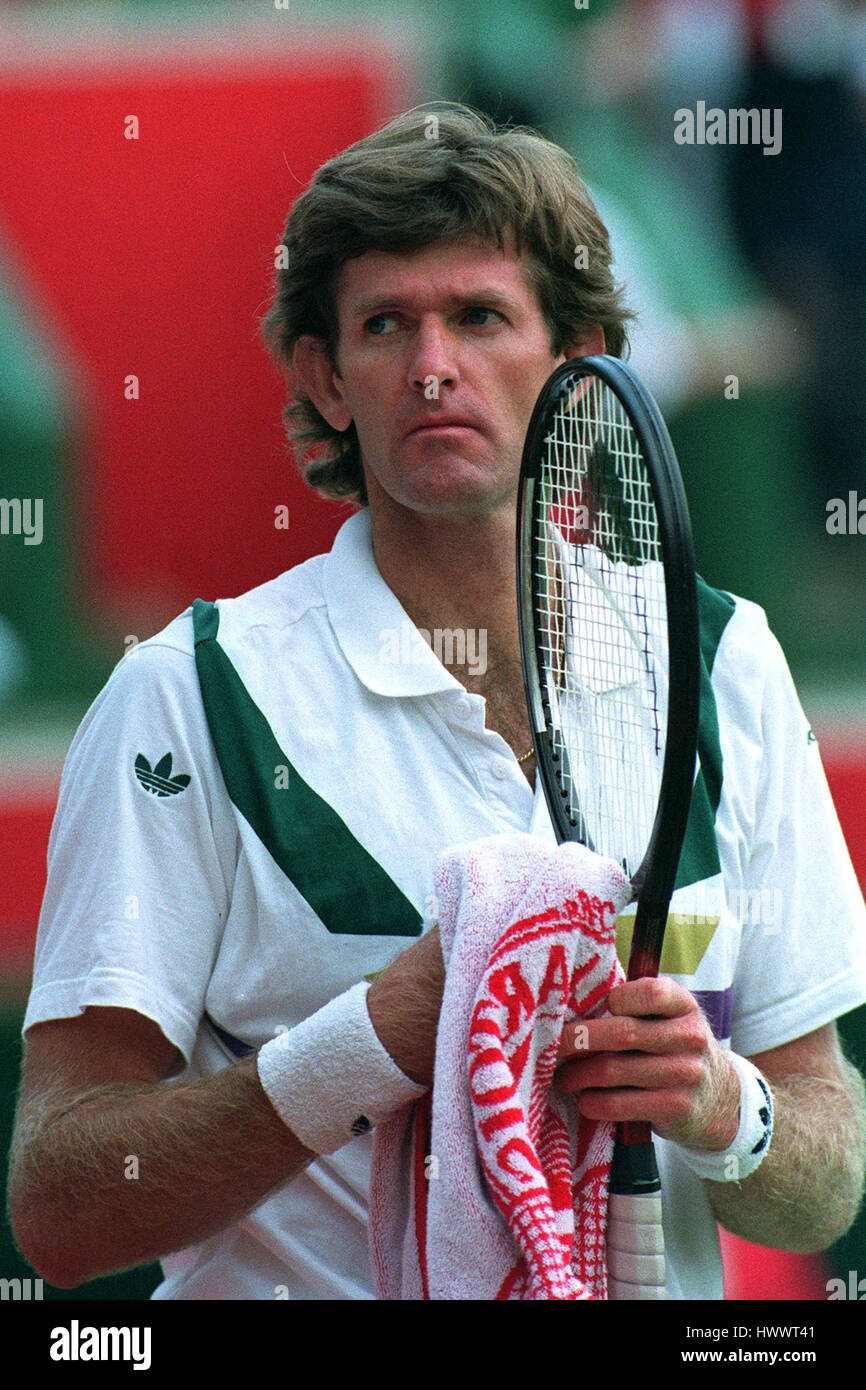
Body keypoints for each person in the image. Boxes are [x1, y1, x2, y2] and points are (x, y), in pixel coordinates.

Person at [8, 103, 866, 1301]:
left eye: (477, 316)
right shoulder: (184, 696)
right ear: (326, 378)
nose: (430, 365)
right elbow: (58, 1202)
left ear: (578, 360)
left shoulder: (727, 658)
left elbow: (825, 1171)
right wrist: (363, 1045)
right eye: (383, 325)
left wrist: (724, 1107)